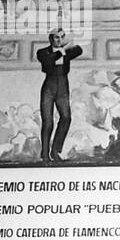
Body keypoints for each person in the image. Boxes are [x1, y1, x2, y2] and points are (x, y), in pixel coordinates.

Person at [36, 27, 82, 161]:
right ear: (51, 39)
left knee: (66, 118)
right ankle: (45, 154)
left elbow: (79, 50)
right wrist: (62, 51)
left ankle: (55, 151)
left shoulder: (66, 52)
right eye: (57, 37)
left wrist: (67, 48)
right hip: (49, 88)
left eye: (62, 37)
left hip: (63, 87)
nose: (60, 40)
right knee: (48, 122)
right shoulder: (42, 52)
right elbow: (48, 61)